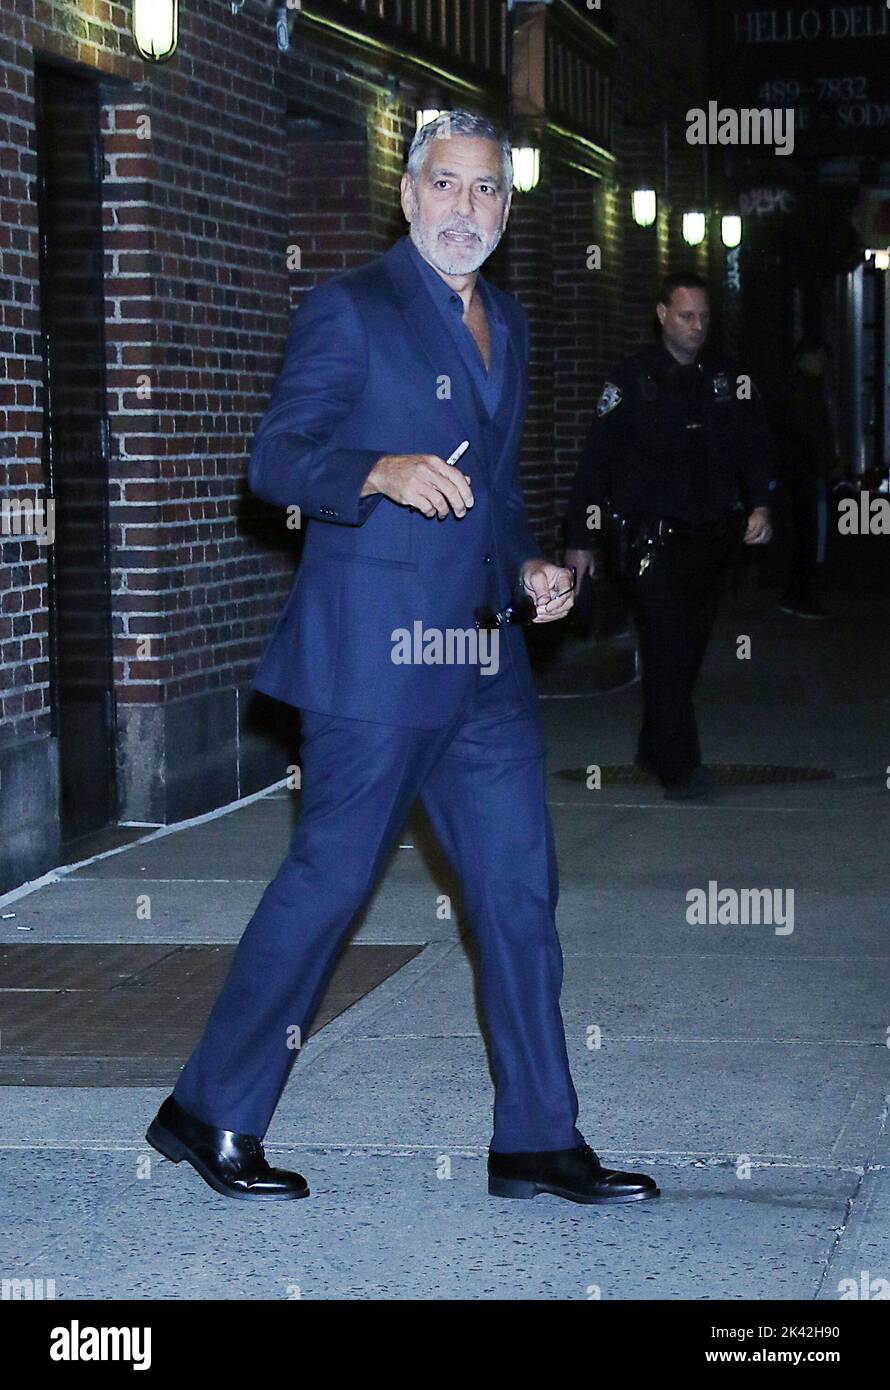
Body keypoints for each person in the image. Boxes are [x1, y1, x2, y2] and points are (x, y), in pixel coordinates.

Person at [146, 111, 658, 1207]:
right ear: (407, 192)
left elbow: (502, 497)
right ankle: (210, 1111)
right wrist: (375, 468)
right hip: (372, 665)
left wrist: (529, 569)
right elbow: (277, 457)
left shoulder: (505, 325)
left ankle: (534, 1136)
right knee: (327, 887)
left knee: (519, 891)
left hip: (482, 662)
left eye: (486, 192)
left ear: (505, 210)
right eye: (445, 185)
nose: (464, 209)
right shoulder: (349, 309)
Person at [564, 273, 773, 800]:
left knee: (688, 649)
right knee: (665, 645)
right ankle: (682, 767)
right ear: (662, 315)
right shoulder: (631, 381)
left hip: (709, 539)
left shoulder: (726, 379)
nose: (698, 326)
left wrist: (762, 504)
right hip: (649, 542)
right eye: (686, 316)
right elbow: (596, 463)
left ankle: (654, 745)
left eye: (704, 316)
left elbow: (752, 446)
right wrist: (581, 538)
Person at [774, 337, 837, 619]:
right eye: (818, 356)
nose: (822, 362)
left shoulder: (800, 387)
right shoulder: (804, 389)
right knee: (806, 532)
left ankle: (797, 592)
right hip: (801, 468)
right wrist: (825, 460)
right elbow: (809, 430)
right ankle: (799, 594)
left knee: (804, 532)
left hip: (799, 468)